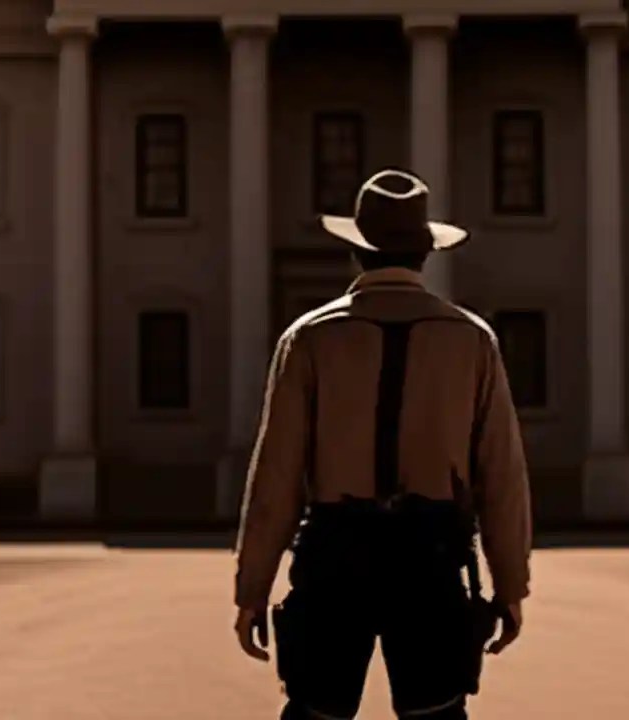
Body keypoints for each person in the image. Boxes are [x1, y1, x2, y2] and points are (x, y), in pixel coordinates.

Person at [233, 168, 533, 720]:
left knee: (316, 713)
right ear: (425, 255)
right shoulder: (472, 340)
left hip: (335, 552)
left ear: (356, 253)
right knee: (437, 714)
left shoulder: (310, 338)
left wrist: (252, 588)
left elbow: (275, 476)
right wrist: (510, 583)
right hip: (432, 554)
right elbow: (502, 477)